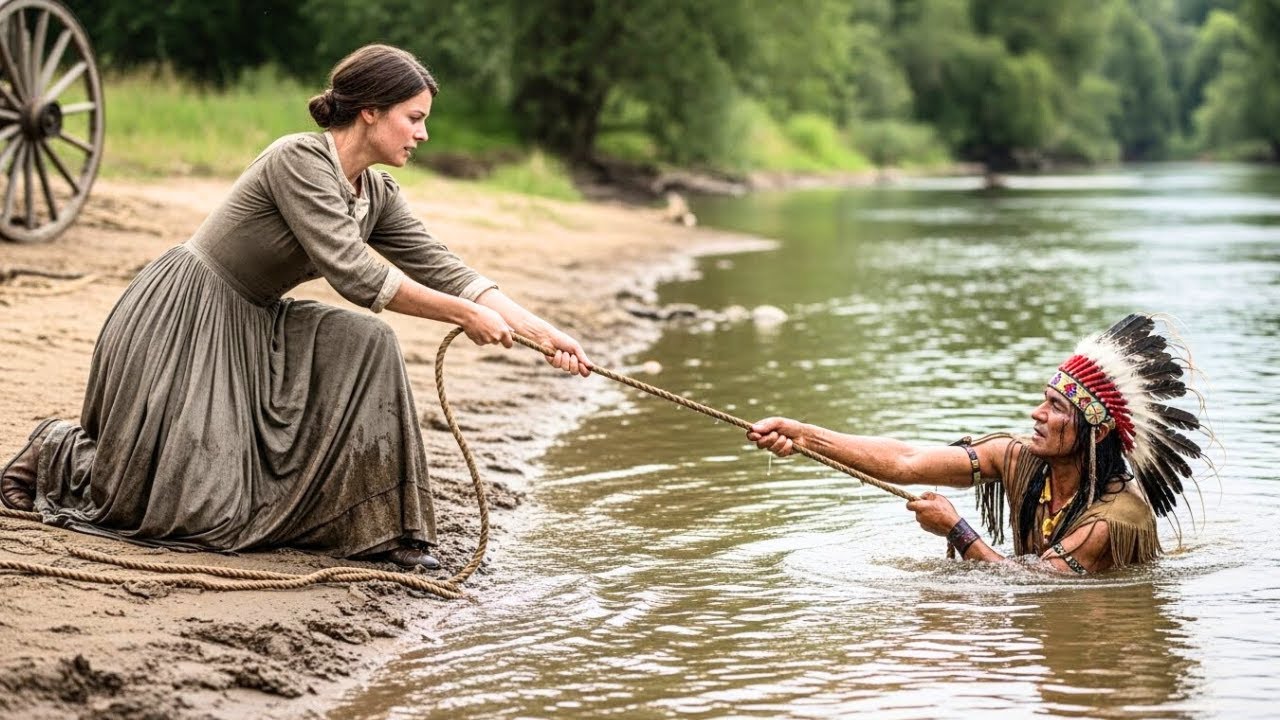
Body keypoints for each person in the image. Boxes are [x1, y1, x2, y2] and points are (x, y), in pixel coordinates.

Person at [0, 44, 592, 571]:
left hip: (257, 320)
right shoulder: (297, 160)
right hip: (188, 314)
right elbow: (353, 272)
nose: (423, 135)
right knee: (198, 514)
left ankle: (386, 530)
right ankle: (54, 449)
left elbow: (452, 271)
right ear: (371, 111)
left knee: (369, 343)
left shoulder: (377, 194)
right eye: (414, 119)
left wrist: (547, 336)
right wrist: (463, 317)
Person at [748, 313, 1209, 574]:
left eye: (1055, 407)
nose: (1036, 413)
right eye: (1042, 400)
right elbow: (907, 460)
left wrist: (957, 531)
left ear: (1097, 429)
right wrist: (803, 434)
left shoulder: (1114, 519)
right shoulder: (1018, 457)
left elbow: (1036, 590)